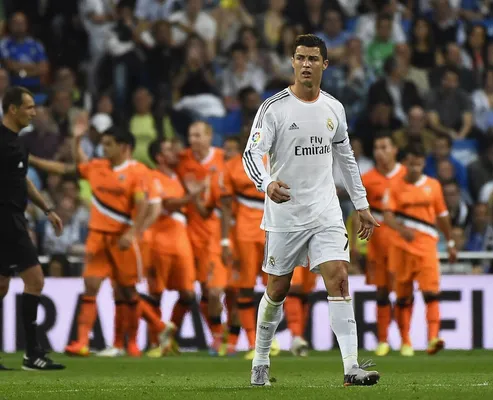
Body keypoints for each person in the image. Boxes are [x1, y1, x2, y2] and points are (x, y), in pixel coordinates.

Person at [242, 34, 380, 387]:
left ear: (325, 64)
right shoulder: (274, 108)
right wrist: (266, 183)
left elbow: (346, 159)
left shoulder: (334, 108)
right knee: (277, 288)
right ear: (292, 62)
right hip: (285, 214)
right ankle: (260, 360)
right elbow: (251, 154)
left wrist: (361, 204)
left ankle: (351, 367)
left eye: (313, 59)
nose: (306, 64)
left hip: (325, 211)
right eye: (300, 57)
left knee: (339, 276)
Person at [29, 128, 171, 357]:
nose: (103, 149)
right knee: (91, 285)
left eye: (108, 144)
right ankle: (82, 342)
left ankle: (134, 342)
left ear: (124, 147)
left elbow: (143, 205)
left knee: (127, 291)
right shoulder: (97, 167)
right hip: (97, 237)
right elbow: (65, 169)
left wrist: (132, 233)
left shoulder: (138, 172)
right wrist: (32, 159)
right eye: (103, 144)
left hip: (122, 238)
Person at [0, 86, 65, 370]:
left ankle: (31, 353)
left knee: (2, 285)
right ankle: (33, 353)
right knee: (36, 280)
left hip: (12, 218)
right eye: (28, 107)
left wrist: (47, 208)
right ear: (12, 109)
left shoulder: (18, 144)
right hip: (6, 220)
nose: (34, 112)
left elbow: (23, 180)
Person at [383, 144, 457, 356]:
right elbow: (387, 216)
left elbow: (442, 216)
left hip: (426, 247)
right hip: (401, 247)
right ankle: (406, 341)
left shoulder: (433, 186)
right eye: (411, 163)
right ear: (405, 164)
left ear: (423, 164)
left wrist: (451, 242)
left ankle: (433, 338)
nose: (415, 167)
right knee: (403, 297)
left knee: (431, 293)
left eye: (418, 163)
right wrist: (401, 229)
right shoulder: (395, 186)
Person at [144, 139, 203, 357]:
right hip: (160, 240)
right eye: (169, 149)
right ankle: (156, 343)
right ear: (159, 157)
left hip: (181, 239)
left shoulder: (177, 177)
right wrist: (193, 195)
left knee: (188, 294)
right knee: (156, 293)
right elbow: (168, 204)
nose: (174, 152)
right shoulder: (153, 178)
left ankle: (170, 338)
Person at [175, 121, 227, 354]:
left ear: (209, 136)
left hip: (216, 234)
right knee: (197, 290)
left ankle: (223, 335)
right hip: (188, 233)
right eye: (190, 135)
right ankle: (215, 336)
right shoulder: (182, 159)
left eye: (197, 135)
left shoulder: (223, 159)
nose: (193, 140)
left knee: (215, 289)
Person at [358, 133, 406, 357]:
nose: (380, 151)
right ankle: (383, 340)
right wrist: (359, 245)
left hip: (403, 243)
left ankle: (406, 340)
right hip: (377, 243)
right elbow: (357, 215)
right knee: (382, 291)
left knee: (405, 290)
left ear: (395, 149)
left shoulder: (407, 176)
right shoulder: (367, 179)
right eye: (377, 147)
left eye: (384, 146)